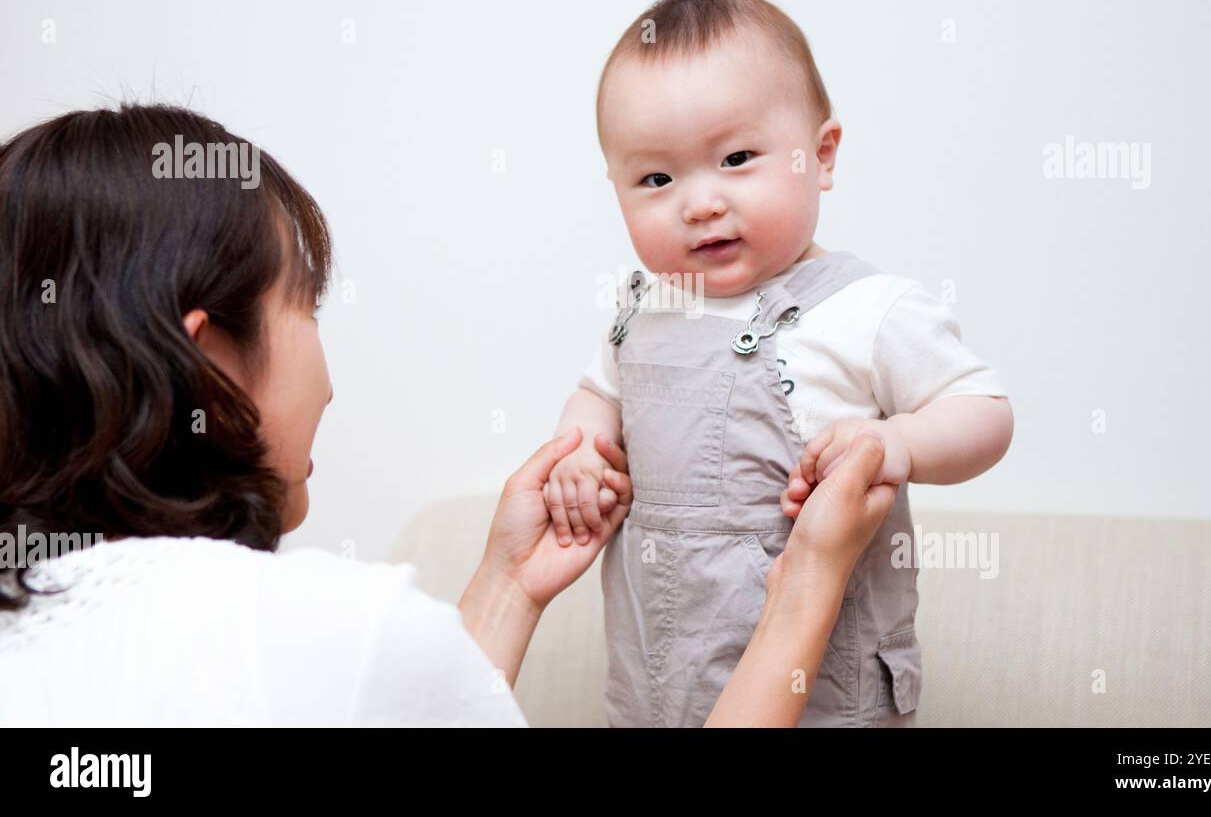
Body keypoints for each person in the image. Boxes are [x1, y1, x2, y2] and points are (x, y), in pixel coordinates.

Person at [0, 104, 898, 727]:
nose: (330, 380)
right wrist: (808, 585)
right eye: (305, 307)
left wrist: (507, 583)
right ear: (210, 363)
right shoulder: (325, 632)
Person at [545, 0, 1014, 726]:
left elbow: (985, 413)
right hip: (658, 685)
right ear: (616, 189)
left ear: (820, 156)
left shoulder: (866, 310)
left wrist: (899, 441)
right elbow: (598, 393)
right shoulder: (643, 310)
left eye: (736, 158)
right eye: (656, 178)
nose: (700, 202)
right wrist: (581, 450)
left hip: (821, 691)